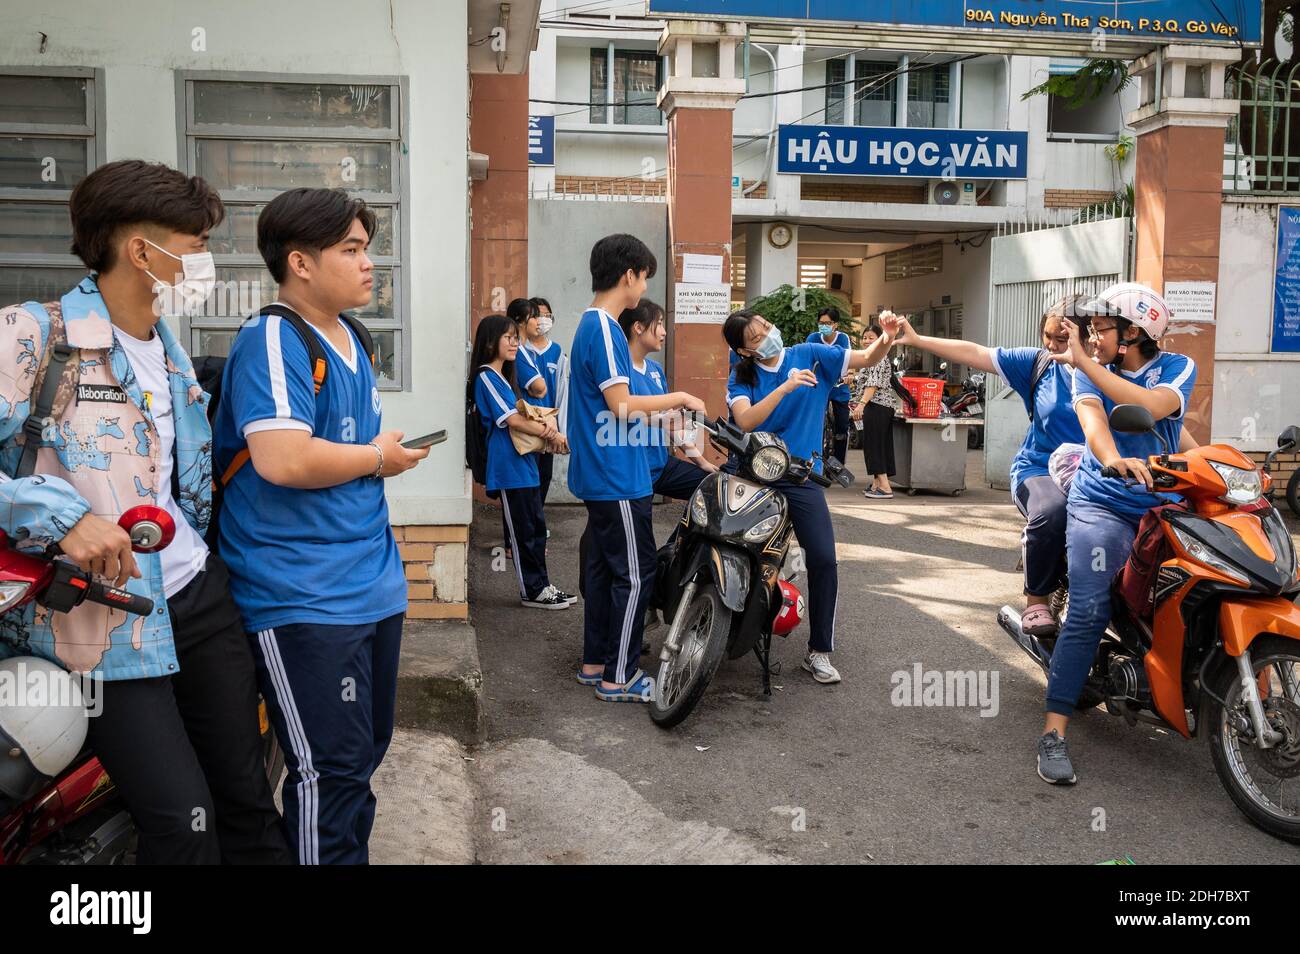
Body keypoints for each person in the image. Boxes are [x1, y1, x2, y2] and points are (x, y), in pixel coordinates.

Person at [0, 159, 289, 864]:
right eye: (194, 246)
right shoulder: (34, 336)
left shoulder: (171, 354)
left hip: (198, 598)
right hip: (99, 624)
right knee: (181, 820)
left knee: (246, 797)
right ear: (141, 252)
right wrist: (61, 517)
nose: (204, 264)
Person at [212, 187, 429, 864]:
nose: (370, 264)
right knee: (326, 772)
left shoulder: (349, 336)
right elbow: (282, 458)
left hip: (368, 583)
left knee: (357, 760)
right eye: (353, 250)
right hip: (300, 594)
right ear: (300, 263)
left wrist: (376, 450)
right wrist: (377, 456)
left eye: (367, 248)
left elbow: (340, 444)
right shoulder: (275, 338)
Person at [1035, 282, 1195, 786]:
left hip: (1166, 506)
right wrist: (1113, 461)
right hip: (1103, 502)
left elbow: (1152, 405)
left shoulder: (1176, 369)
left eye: (1100, 329)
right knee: (1088, 608)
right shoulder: (1086, 373)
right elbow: (1095, 423)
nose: (1090, 338)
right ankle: (1054, 733)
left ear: (1133, 333)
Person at [890, 296, 1089, 638]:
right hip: (1040, 469)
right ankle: (1037, 598)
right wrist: (919, 340)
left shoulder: (1113, 371)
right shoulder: (1038, 364)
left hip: (1096, 473)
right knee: (1052, 512)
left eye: (1063, 338)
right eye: (1048, 335)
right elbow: (975, 353)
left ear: (1090, 336)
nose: (1053, 345)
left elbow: (1163, 416)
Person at [724, 308, 897, 684]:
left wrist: (885, 336)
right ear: (744, 351)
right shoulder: (742, 375)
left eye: (767, 326)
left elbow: (867, 358)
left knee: (823, 558)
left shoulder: (812, 353)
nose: (768, 335)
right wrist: (785, 386)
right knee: (718, 534)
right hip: (752, 471)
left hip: (799, 474)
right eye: (756, 337)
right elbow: (746, 420)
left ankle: (819, 651)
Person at [570, 234, 705, 702]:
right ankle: (619, 676)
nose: (643, 287)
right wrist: (682, 398)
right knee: (636, 573)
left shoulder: (592, 326)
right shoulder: (604, 328)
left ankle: (596, 663)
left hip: (606, 473)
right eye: (644, 276)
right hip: (617, 475)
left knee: (608, 573)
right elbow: (623, 405)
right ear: (629, 275)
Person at [469, 314, 574, 610]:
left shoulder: (503, 376)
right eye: (508, 338)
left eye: (516, 338)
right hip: (508, 466)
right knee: (523, 533)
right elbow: (512, 419)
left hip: (524, 464)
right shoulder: (486, 376)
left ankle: (543, 585)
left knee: (536, 529)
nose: (515, 343)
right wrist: (551, 432)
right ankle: (532, 590)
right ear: (491, 342)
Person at [619, 298, 717, 501]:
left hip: (660, 465)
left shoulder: (655, 370)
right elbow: (621, 414)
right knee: (635, 532)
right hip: (632, 473)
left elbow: (670, 424)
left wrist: (701, 462)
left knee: (714, 488)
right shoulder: (619, 371)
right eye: (660, 323)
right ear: (638, 327)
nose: (664, 332)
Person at [849, 321, 903, 499]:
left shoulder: (879, 356)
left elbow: (873, 384)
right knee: (880, 445)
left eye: (871, 338)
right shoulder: (872, 357)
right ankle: (876, 484)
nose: (866, 341)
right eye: (864, 337)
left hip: (875, 406)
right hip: (882, 408)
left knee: (874, 446)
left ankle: (885, 487)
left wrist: (861, 404)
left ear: (880, 339)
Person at [526, 296, 565, 503]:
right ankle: (529, 523)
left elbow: (561, 391)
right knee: (528, 475)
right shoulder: (521, 350)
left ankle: (538, 519)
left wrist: (561, 429)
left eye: (547, 315)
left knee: (544, 474)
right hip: (528, 423)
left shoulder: (557, 352)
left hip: (549, 425)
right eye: (537, 315)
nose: (543, 319)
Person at [806, 306, 853, 465]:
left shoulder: (843, 339)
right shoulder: (812, 338)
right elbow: (807, 360)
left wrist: (849, 375)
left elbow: (850, 360)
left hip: (839, 386)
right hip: (819, 386)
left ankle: (839, 464)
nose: (824, 326)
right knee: (815, 425)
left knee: (842, 426)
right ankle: (815, 462)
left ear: (835, 325)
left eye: (828, 323)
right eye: (821, 322)